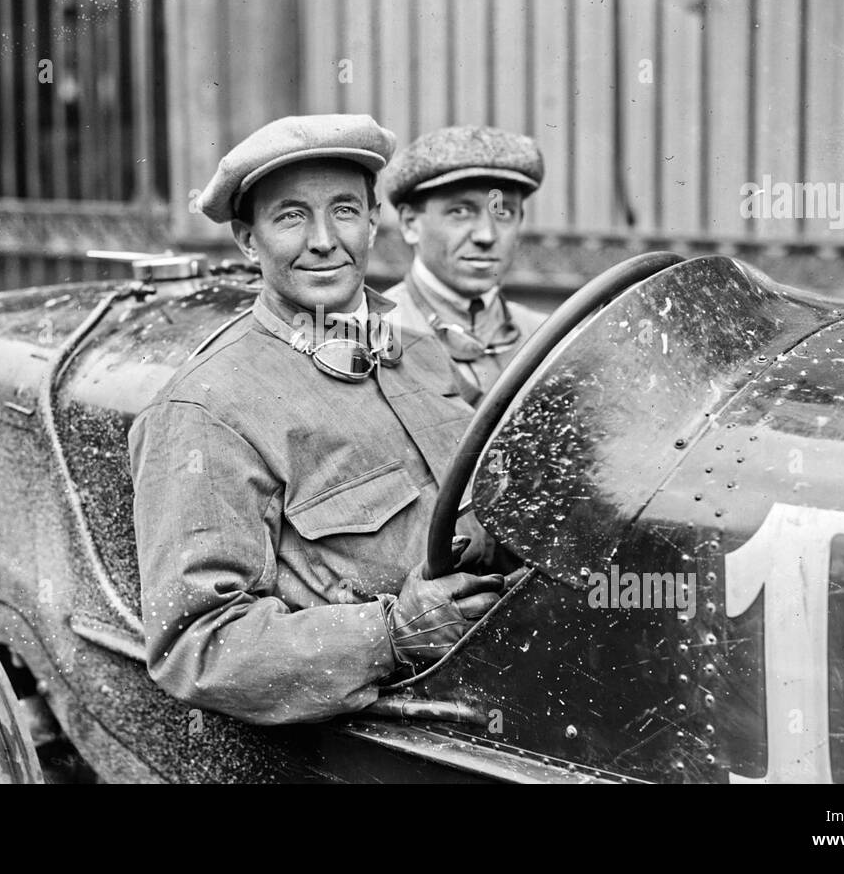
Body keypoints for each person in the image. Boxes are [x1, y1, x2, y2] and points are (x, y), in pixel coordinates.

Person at [127, 114, 513, 726]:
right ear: (247, 240)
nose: (325, 240)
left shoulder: (416, 351)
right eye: (290, 216)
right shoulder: (206, 409)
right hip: (396, 727)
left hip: (505, 675)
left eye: (344, 210)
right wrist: (391, 634)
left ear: (373, 219)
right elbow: (196, 646)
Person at [382, 126, 550, 405]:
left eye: (504, 212)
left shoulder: (550, 337)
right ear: (410, 223)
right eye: (460, 211)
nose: (486, 235)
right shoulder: (374, 336)